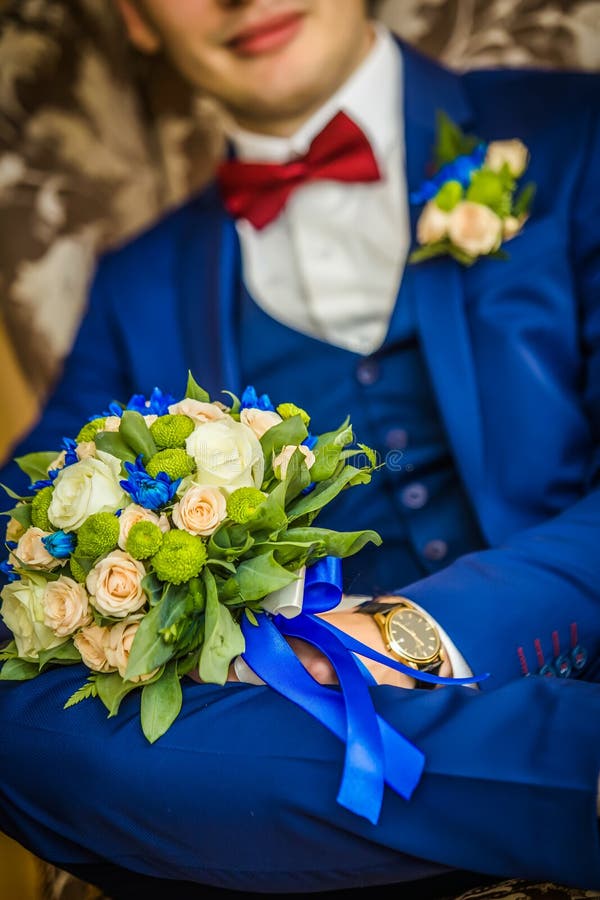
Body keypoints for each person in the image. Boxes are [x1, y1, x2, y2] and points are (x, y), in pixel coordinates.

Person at [1, 0, 600, 896]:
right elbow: (21, 534)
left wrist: (413, 638)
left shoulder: (574, 133)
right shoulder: (136, 284)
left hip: (560, 640)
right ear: (136, 19)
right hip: (277, 709)